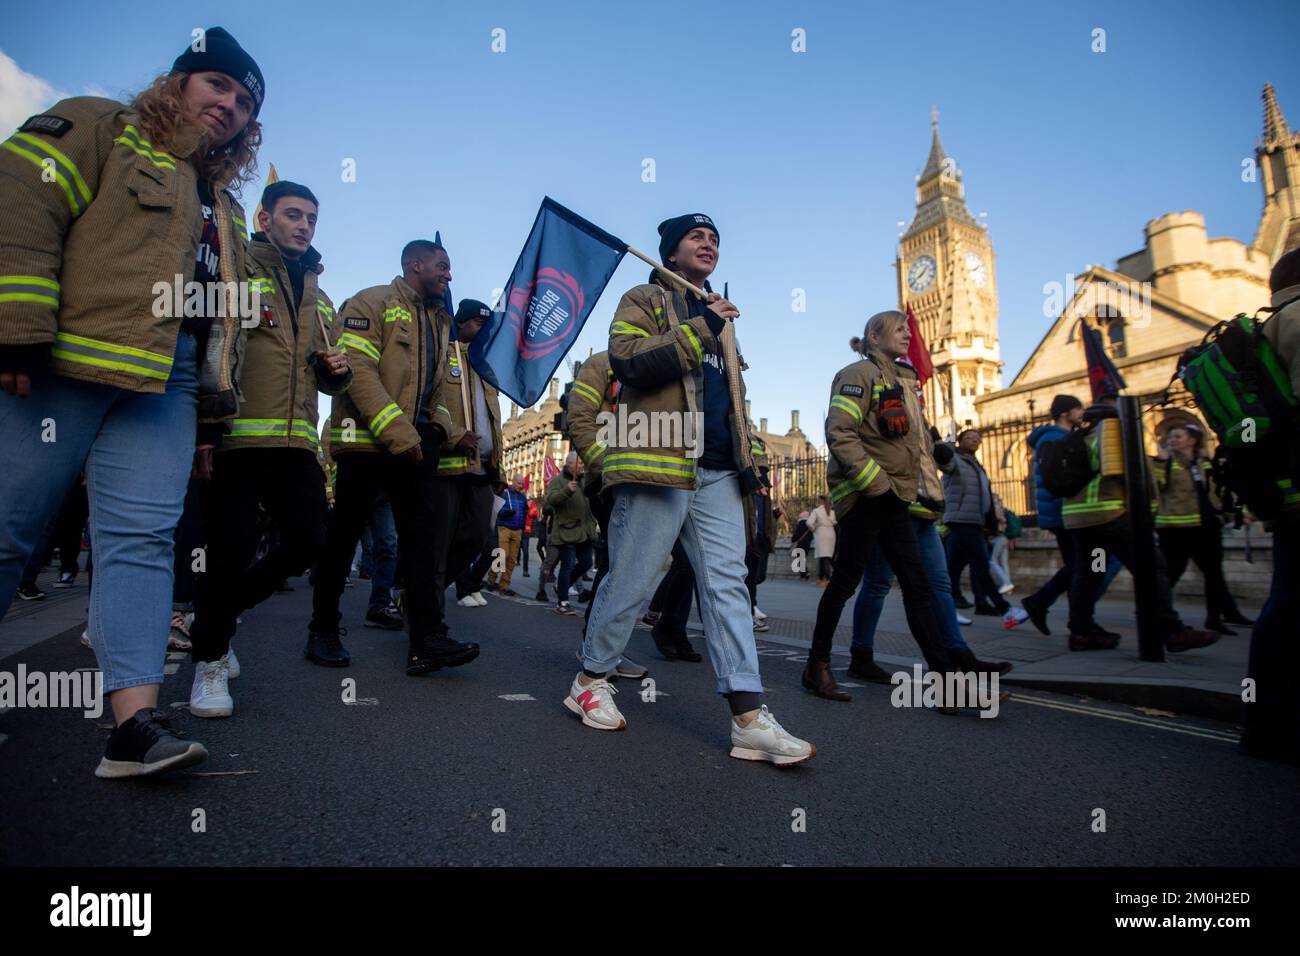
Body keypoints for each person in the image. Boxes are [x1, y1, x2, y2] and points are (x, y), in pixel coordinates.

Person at [0, 27, 264, 777]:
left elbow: (221, 314)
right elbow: (17, 207)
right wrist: (15, 324)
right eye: (218, 85)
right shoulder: (98, 125)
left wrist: (212, 409)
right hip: (63, 364)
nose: (230, 107)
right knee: (7, 533)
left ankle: (133, 726)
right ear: (177, 82)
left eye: (244, 102)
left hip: (166, 384)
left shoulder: (219, 197)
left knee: (142, 543)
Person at [568, 212, 814, 764]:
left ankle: (748, 717)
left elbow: (732, 396)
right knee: (631, 578)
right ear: (670, 253)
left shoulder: (723, 317)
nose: (708, 245)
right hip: (660, 460)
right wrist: (701, 327)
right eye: (696, 237)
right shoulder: (644, 298)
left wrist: (748, 457)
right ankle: (590, 678)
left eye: (715, 239)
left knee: (728, 586)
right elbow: (629, 362)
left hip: (719, 468)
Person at [186, 179, 351, 717]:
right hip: (236, 438)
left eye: (311, 218)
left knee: (307, 541)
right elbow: (211, 343)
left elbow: (323, 371)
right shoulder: (238, 270)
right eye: (293, 215)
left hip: (297, 443)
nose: (303, 226)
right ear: (264, 219)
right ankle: (210, 664)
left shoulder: (319, 295)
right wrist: (204, 429)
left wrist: (335, 374)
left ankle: (218, 618)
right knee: (229, 554)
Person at [308, 240, 479, 676]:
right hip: (367, 445)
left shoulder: (440, 321)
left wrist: (444, 429)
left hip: (417, 448)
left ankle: (427, 641)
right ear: (414, 264)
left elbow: (437, 391)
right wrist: (397, 431)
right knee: (343, 538)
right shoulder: (371, 302)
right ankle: (322, 630)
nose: (448, 275)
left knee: (422, 546)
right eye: (442, 266)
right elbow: (358, 375)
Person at [804, 311, 956, 704]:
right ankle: (817, 666)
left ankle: (949, 684)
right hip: (866, 497)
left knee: (917, 587)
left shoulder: (899, 380)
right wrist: (877, 483)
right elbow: (840, 432)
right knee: (845, 583)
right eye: (899, 329)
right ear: (874, 336)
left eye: (908, 330)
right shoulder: (857, 375)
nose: (907, 334)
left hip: (895, 499)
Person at [847, 351, 1011, 683]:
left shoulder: (924, 422)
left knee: (938, 583)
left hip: (925, 510)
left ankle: (958, 653)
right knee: (880, 583)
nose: (918, 389)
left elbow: (942, 464)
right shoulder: (886, 407)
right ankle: (861, 655)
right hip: (894, 508)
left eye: (918, 385)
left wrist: (945, 453)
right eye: (913, 383)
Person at [1062, 397, 1219, 653]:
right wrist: (1149, 514)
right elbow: (1138, 477)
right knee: (1150, 567)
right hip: (1111, 515)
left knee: (1090, 572)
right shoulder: (1113, 435)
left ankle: (1081, 631)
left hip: (1079, 518)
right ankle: (1173, 631)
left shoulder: (1076, 439)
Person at [1241, 246, 1300, 764]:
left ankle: (1263, 719)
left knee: (1286, 599)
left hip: (1281, 488)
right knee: (1287, 602)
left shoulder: (1266, 326)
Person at [564, 349, 647, 677]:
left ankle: (604, 647)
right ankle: (595, 647)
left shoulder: (652, 363)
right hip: (608, 479)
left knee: (628, 565)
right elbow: (579, 417)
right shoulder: (600, 364)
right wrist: (605, 465)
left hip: (642, 478)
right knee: (618, 562)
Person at [426, 299, 503, 631]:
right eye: (479, 325)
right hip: (448, 463)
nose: (485, 333)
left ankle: (423, 594)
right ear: (463, 324)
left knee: (477, 537)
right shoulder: (443, 354)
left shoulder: (486, 367)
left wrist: (498, 460)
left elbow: (493, 420)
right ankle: (427, 614)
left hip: (482, 468)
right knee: (438, 541)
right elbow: (432, 402)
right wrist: (455, 434)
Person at [1152, 418, 1253, 635]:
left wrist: (1238, 513)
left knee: (1214, 574)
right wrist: (1161, 462)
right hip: (1175, 528)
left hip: (1206, 526)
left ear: (1192, 440)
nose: (1172, 441)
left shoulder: (1205, 463)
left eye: (1177, 437)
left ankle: (1215, 618)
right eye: (1170, 438)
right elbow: (1155, 488)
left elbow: (1221, 492)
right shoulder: (1165, 463)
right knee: (1170, 574)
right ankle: (1156, 614)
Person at [941, 429, 1023, 624]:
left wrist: (990, 521)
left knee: (953, 566)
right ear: (960, 441)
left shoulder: (977, 466)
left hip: (974, 521)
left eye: (978, 439)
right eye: (969, 437)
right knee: (981, 563)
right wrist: (945, 444)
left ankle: (971, 602)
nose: (975, 441)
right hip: (962, 520)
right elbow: (943, 460)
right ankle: (1004, 609)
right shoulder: (955, 460)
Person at [1018, 394, 1085, 635]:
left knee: (1082, 565)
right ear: (1065, 413)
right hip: (1066, 514)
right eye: (1078, 409)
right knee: (1087, 564)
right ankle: (1043, 603)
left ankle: (1057, 609)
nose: (1082, 413)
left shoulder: (1058, 438)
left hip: (1067, 513)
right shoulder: (1056, 439)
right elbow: (1058, 478)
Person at [545, 451, 594, 615]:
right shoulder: (557, 481)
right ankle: (563, 603)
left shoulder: (585, 481)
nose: (582, 466)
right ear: (570, 464)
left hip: (584, 532)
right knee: (568, 565)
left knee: (587, 562)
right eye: (579, 464)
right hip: (567, 531)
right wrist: (566, 491)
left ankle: (562, 587)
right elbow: (551, 501)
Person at [486, 473, 527, 595]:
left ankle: (504, 584)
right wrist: (505, 513)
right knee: (502, 555)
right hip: (504, 527)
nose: (521, 486)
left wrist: (522, 527)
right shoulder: (504, 494)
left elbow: (524, 513)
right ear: (513, 481)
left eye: (522, 484)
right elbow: (497, 509)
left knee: (511, 559)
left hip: (517, 530)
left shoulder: (523, 497)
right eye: (519, 483)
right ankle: (491, 579)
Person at [807, 495, 837, 586]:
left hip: (821, 533)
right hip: (831, 533)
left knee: (823, 557)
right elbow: (835, 522)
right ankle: (825, 578)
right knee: (828, 557)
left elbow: (808, 523)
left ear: (819, 501)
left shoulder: (816, 511)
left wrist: (814, 528)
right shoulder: (831, 511)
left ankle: (825, 579)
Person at [791, 510, 813, 579]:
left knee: (800, 558)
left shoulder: (801, 523)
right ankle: (803, 575)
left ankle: (805, 573)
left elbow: (797, 534)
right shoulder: (809, 524)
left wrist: (793, 539)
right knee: (802, 558)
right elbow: (811, 535)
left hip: (801, 544)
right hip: (807, 544)